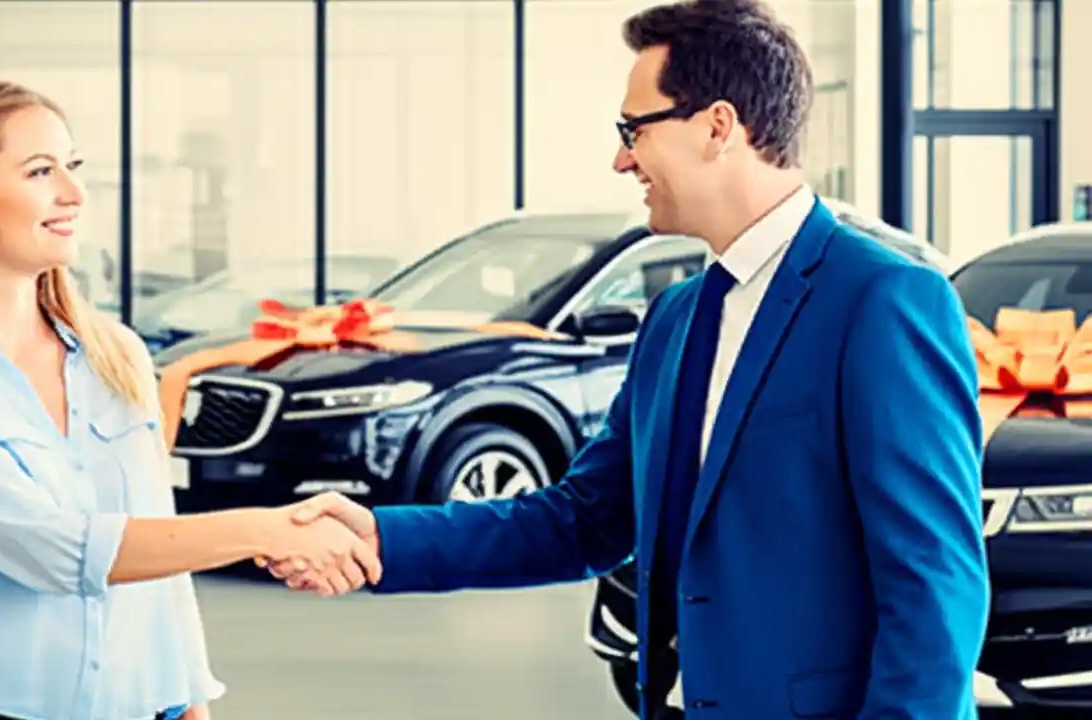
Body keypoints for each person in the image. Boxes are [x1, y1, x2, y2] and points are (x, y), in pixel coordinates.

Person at [268, 1, 990, 718]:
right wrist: (380, 536)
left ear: (717, 127)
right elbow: (586, 519)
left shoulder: (884, 300)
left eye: (633, 129)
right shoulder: (675, 320)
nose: (621, 158)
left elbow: (936, 582)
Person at [0, 80, 380, 720]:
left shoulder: (116, 354)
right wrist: (269, 527)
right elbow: (50, 549)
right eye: (40, 171)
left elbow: (156, 545)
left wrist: (189, 694)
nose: (73, 193)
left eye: (72, 167)